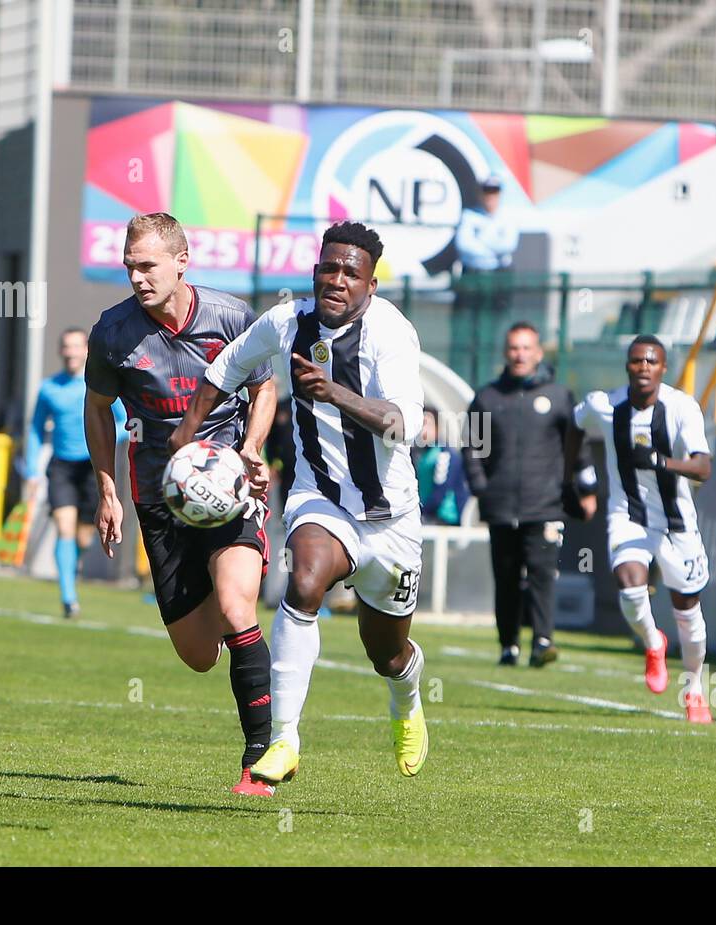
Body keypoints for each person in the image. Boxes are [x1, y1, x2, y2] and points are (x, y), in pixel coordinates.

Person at [171, 221, 429, 784]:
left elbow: (403, 425)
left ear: (371, 285)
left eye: (350, 273)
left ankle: (406, 702)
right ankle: (284, 739)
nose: (336, 280)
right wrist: (187, 433)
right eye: (328, 268)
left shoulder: (392, 333)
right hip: (321, 498)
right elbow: (228, 366)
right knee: (305, 583)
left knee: (386, 652)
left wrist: (331, 390)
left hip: (392, 517)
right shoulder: (288, 320)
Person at [84, 212, 279, 798]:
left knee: (237, 603)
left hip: (226, 489)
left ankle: (259, 760)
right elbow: (97, 410)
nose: (138, 277)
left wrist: (248, 450)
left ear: (181, 261)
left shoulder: (232, 316)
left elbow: (263, 386)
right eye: (129, 266)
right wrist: (108, 488)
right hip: (158, 499)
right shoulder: (113, 332)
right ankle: (230, 628)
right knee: (198, 657)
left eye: (147, 265)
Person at [570, 336, 715, 722]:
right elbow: (574, 423)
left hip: (677, 523)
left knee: (688, 612)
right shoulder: (606, 404)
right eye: (637, 361)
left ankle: (695, 688)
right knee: (630, 584)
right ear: (628, 367)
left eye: (652, 361)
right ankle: (653, 642)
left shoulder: (682, 407)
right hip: (627, 515)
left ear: (663, 368)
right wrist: (578, 472)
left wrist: (660, 462)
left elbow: (703, 467)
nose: (644, 367)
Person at [463, 323, 597, 667]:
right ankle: (509, 645)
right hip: (501, 506)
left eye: (526, 348)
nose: (519, 354)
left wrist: (587, 491)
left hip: (546, 504)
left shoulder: (558, 396)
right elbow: (472, 448)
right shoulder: (487, 397)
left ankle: (542, 640)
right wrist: (482, 488)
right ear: (505, 353)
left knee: (541, 574)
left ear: (538, 353)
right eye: (513, 348)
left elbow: (576, 448)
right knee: (506, 578)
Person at [25, 330, 126, 618]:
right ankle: (68, 597)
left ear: (86, 350)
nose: (70, 353)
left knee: (84, 538)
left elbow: (123, 423)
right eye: (65, 347)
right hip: (61, 467)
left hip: (94, 469)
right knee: (64, 528)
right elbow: (35, 429)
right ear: (60, 351)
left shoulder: (99, 385)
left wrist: (100, 438)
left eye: (75, 347)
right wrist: (32, 469)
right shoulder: (49, 388)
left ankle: (72, 569)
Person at [453, 176, 520, 384]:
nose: (490, 197)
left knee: (492, 334)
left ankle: (488, 381)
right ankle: (463, 382)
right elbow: (464, 245)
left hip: (498, 279)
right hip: (473, 278)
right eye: (487, 192)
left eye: (494, 192)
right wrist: (492, 243)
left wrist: (481, 238)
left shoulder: (508, 217)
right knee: (466, 334)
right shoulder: (469, 216)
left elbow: (508, 245)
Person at [413, 407, 469, 526]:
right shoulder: (418, 454)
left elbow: (440, 491)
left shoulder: (444, 454)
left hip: (444, 519)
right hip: (425, 515)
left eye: (426, 424)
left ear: (437, 428)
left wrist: (420, 513)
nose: (423, 429)